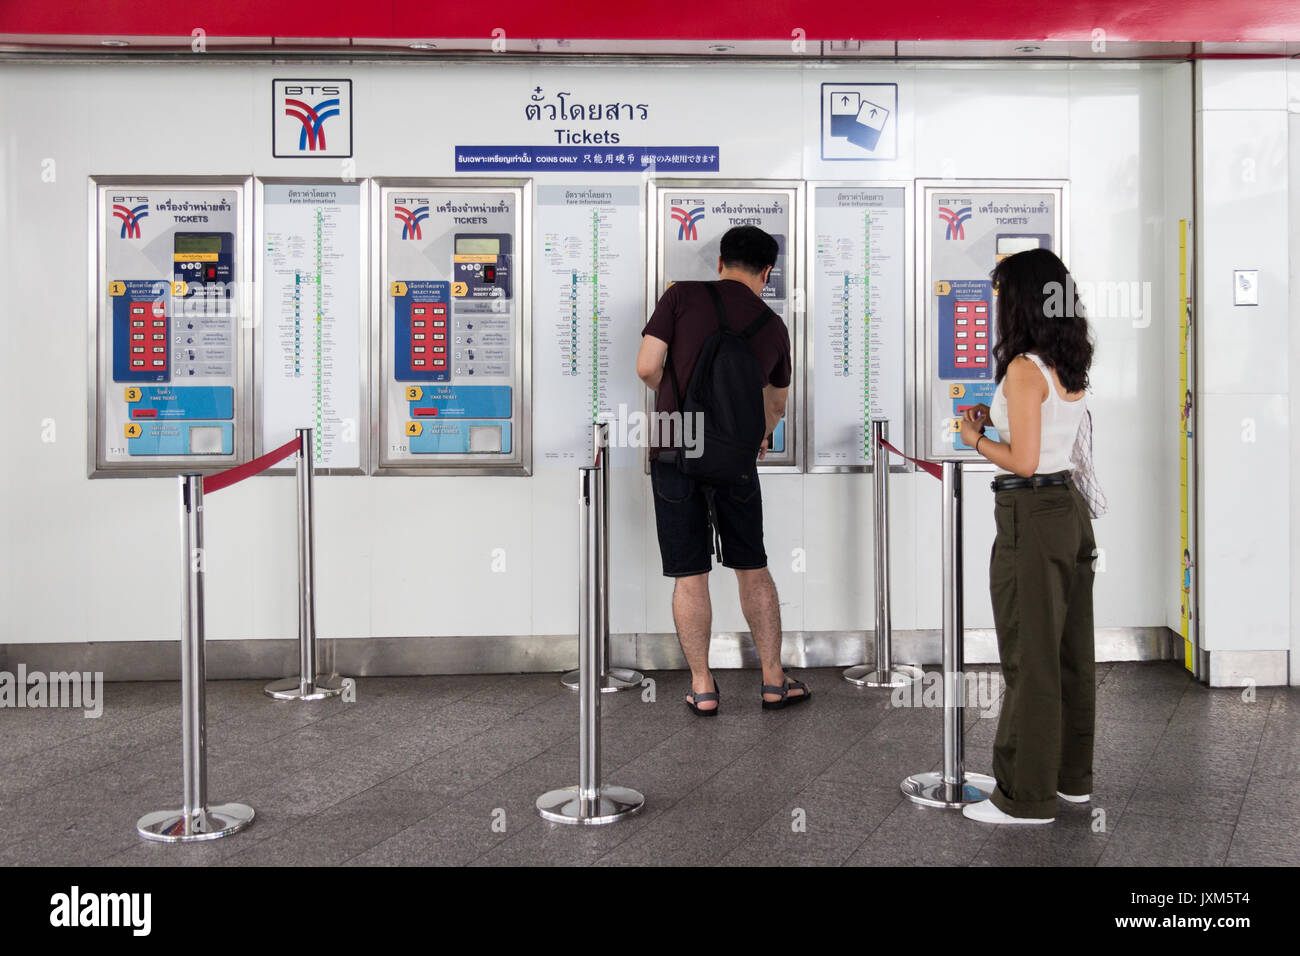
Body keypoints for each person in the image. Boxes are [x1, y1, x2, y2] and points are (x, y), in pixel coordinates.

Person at [636, 225, 810, 715]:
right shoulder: (773, 326)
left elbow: (647, 366)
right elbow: (775, 406)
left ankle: (703, 686)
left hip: (675, 448)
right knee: (751, 567)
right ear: (768, 272)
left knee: (690, 575)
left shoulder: (681, 298)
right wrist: (752, 435)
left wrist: (675, 401)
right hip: (734, 458)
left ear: (719, 263)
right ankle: (774, 681)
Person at [957, 248, 1096, 825]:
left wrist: (974, 439)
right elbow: (1047, 441)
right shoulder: (1063, 361)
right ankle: (1068, 780)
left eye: (999, 293)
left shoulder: (1020, 368)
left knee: (1028, 654)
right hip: (1069, 511)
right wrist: (996, 425)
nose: (993, 304)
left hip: (1030, 517)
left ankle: (1024, 798)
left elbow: (1024, 459)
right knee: (1070, 653)